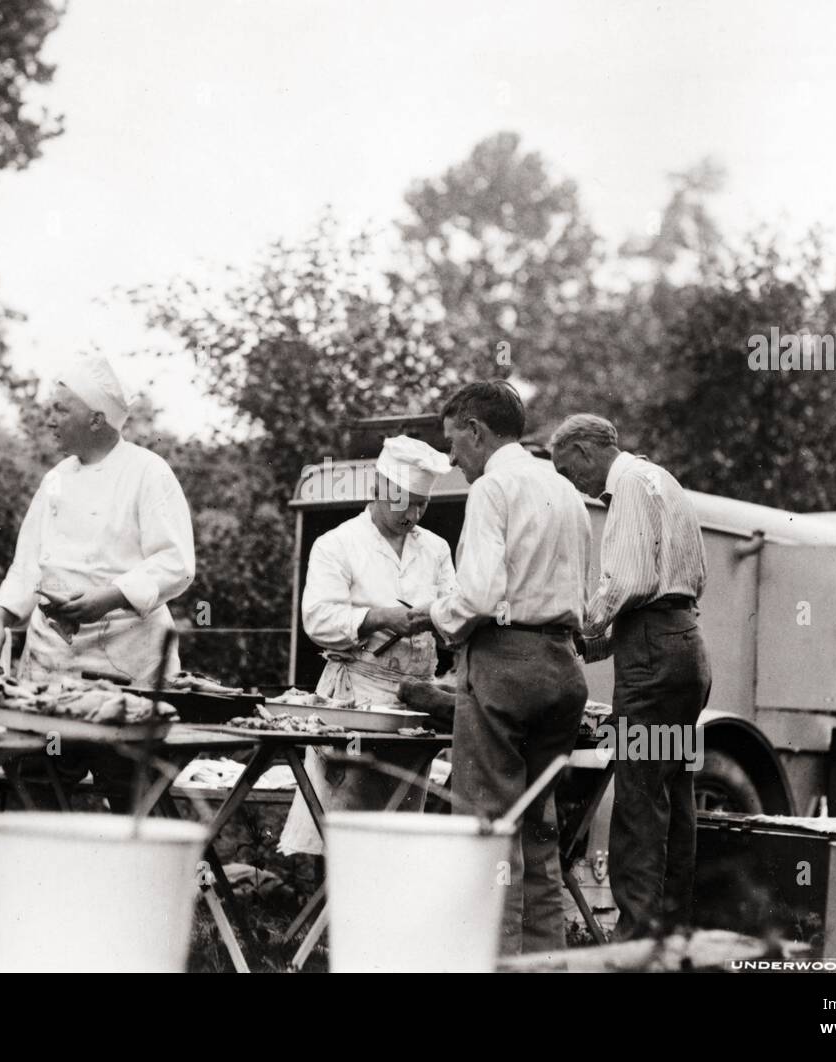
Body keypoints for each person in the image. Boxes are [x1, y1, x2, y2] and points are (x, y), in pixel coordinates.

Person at [419, 381, 593, 955]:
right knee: (539, 830)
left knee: (489, 830)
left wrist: (433, 615)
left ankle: (493, 962)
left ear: (476, 430)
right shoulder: (565, 490)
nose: (450, 459)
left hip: (505, 663)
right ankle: (545, 963)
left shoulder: (493, 487)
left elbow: (477, 595)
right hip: (563, 666)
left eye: (452, 442)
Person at [0, 353, 196, 809]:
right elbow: (28, 562)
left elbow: (176, 562)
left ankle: (158, 880)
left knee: (136, 804)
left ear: (97, 418)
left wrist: (108, 598)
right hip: (52, 669)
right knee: (32, 795)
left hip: (126, 672)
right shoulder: (56, 479)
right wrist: (1, 616)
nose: (48, 417)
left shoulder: (147, 473)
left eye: (60, 408)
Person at [549, 413, 710, 940]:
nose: (575, 486)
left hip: (652, 662)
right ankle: (671, 932)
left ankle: (636, 939)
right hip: (682, 646)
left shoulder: (629, 489)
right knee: (673, 797)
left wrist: (575, 622)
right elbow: (668, 586)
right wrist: (585, 644)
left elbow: (630, 581)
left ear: (585, 450)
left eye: (569, 471)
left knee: (639, 802)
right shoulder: (662, 479)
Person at [278, 435, 457, 856]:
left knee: (400, 811)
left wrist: (439, 618)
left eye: (422, 505)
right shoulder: (338, 544)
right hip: (358, 695)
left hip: (415, 699)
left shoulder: (435, 548)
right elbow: (317, 619)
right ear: (377, 490)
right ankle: (334, 912)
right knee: (345, 811)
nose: (412, 515)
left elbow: (456, 607)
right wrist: (377, 617)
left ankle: (385, 907)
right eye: (404, 503)